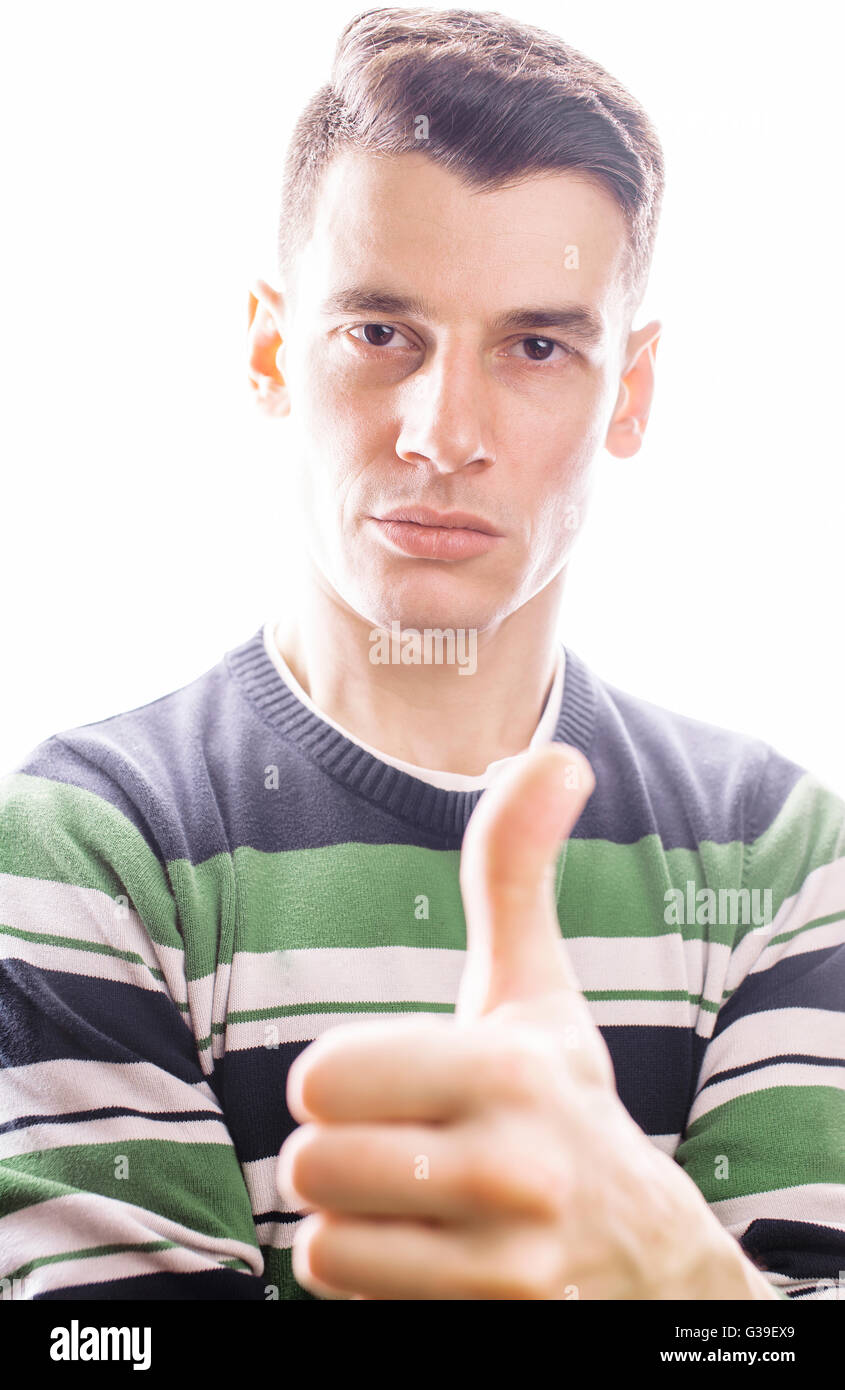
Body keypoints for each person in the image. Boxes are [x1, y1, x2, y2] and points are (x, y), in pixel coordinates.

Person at [1, 7, 842, 1302]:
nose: (443, 431)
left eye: (536, 345)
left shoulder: (777, 853)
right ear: (274, 347)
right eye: (381, 333)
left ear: (629, 392)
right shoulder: (91, 843)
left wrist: (672, 1276)